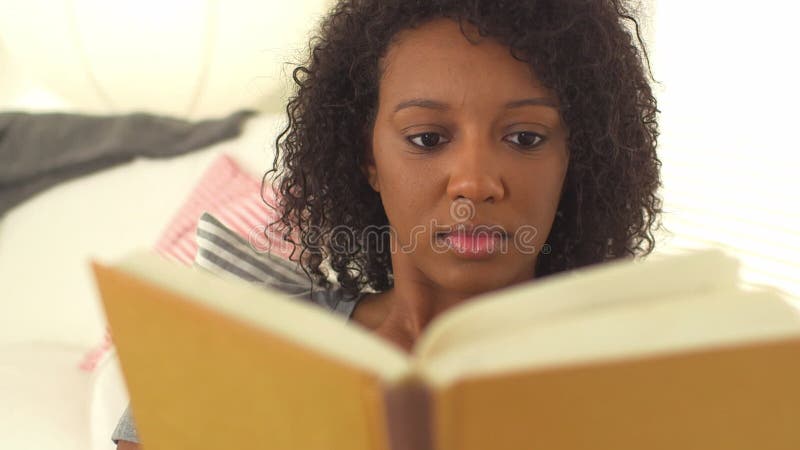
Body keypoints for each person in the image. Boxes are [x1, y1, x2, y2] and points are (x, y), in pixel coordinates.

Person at [115, 0, 661, 447]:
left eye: (525, 138)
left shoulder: (637, 374)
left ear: (575, 159)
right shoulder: (235, 337)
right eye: (427, 138)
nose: (475, 182)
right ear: (368, 160)